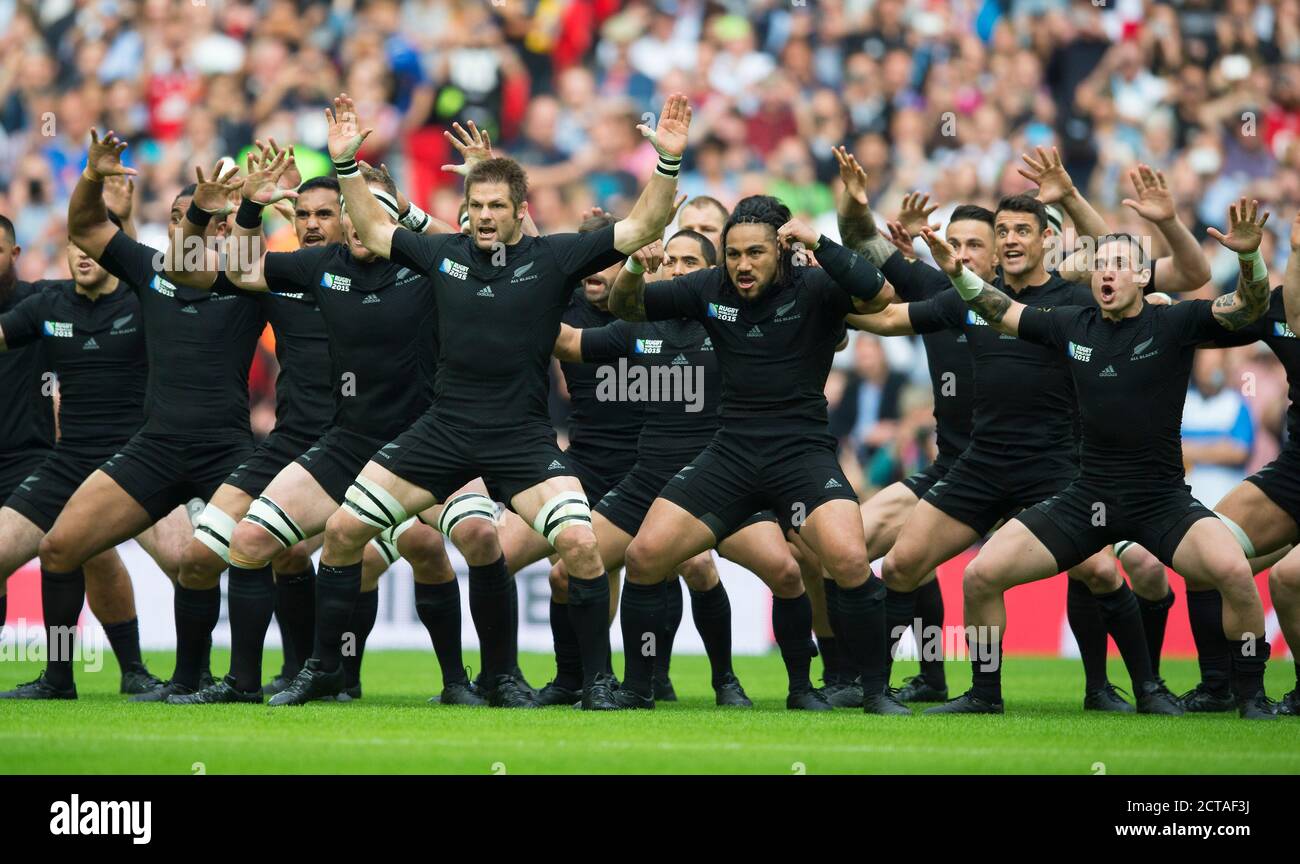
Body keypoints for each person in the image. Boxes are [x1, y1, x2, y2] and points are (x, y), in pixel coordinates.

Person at [275, 91, 688, 711]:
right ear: (464, 212)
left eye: (498, 205)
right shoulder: (443, 255)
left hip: (521, 436)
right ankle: (325, 668)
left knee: (579, 545)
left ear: (521, 211)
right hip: (442, 429)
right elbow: (370, 227)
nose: (486, 215)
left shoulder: (553, 257)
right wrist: (345, 167)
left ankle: (596, 682)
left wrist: (667, 164)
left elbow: (642, 227)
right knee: (340, 531)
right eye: (477, 205)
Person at [918, 200, 1276, 719]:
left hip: (1160, 499)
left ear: (1139, 275)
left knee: (1234, 575)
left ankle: (1250, 696)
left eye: (1117, 265)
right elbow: (1002, 311)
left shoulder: (1175, 321)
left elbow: (1249, 310)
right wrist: (956, 273)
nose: (1106, 273)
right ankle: (983, 694)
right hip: (1087, 496)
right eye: (1099, 265)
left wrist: (1249, 261)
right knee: (980, 574)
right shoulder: (1070, 323)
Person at [186, 147, 499, 706]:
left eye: (351, 211)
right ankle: (254, 681)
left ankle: (471, 681)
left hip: (420, 440)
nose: (334, 224)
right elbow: (230, 269)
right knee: (253, 541)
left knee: (455, 539)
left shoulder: (427, 268)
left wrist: (429, 201)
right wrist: (251, 211)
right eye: (339, 213)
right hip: (343, 440)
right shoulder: (317, 269)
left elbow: (481, 254)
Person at [605, 192, 899, 712]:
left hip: (802, 453)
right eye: (734, 253)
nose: (743, 264)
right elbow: (625, 306)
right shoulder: (708, 287)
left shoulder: (814, 285)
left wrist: (821, 241)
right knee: (644, 556)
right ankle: (636, 689)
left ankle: (870, 691)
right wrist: (633, 265)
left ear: (782, 252)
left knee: (850, 561)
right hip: (730, 455)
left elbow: (880, 295)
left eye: (756, 253)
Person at [551, 228, 826, 709]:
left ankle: (780, 686)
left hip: (724, 479)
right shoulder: (639, 327)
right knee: (565, 573)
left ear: (710, 273)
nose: (678, 270)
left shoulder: (731, 324)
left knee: (785, 571)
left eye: (689, 263)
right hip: (649, 480)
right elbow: (573, 345)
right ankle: (589, 681)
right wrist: (519, 308)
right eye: (671, 261)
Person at [36, 129, 265, 701]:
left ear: (222, 228)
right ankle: (59, 679)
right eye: (180, 216)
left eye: (203, 217)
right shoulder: (150, 272)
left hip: (227, 450)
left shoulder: (249, 282)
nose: (185, 226)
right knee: (59, 548)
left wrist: (246, 209)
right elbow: (86, 228)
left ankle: (239, 680)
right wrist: (92, 177)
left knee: (253, 553)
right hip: (155, 446)